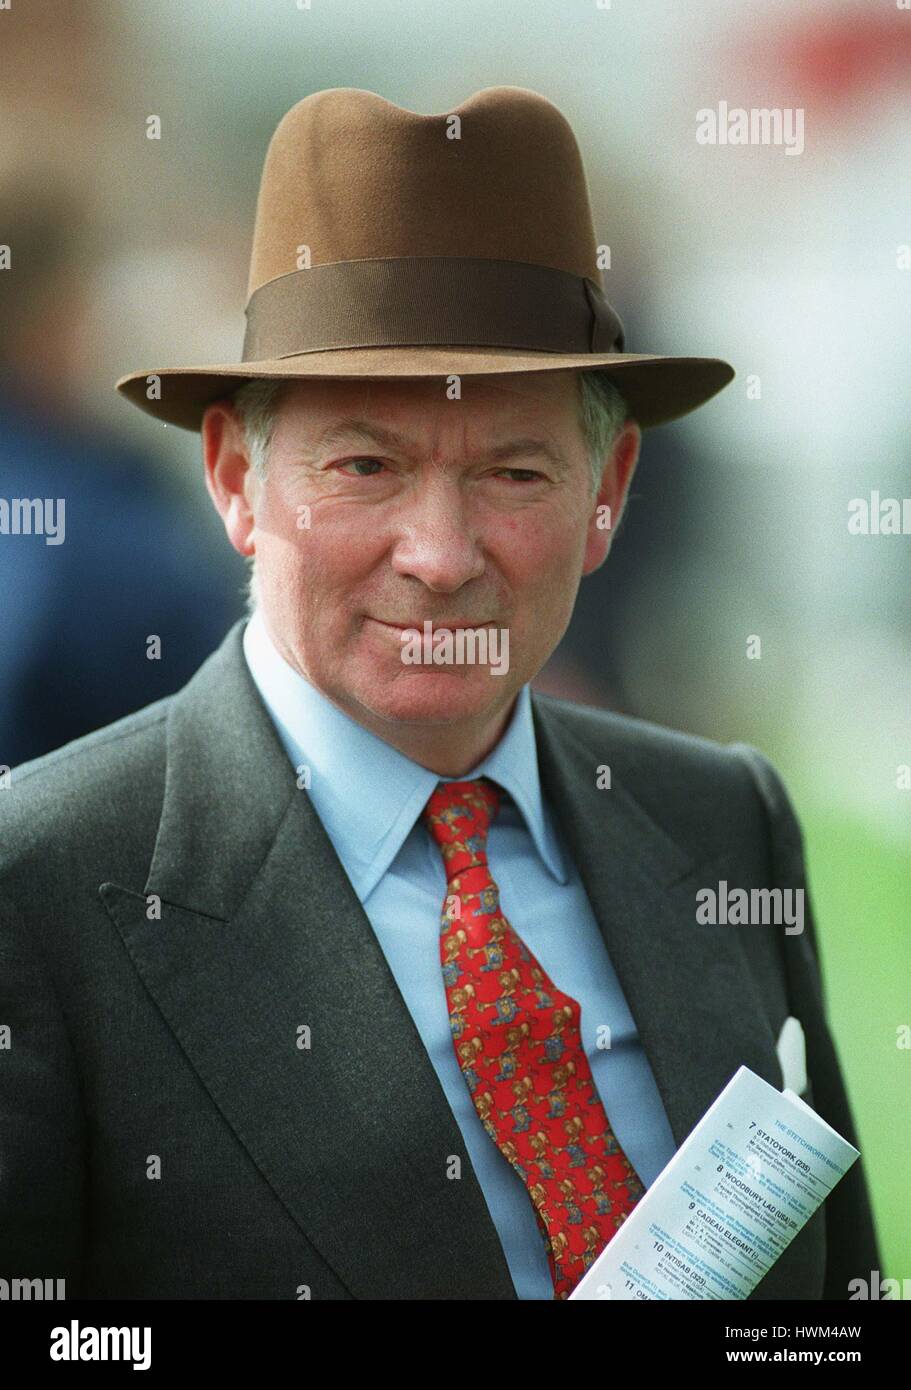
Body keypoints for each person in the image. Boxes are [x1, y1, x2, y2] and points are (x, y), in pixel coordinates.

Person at [0, 86, 879, 1300]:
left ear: (607, 488)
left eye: (513, 471)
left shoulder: (722, 821)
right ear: (234, 479)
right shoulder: (37, 890)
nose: (440, 552)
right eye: (366, 464)